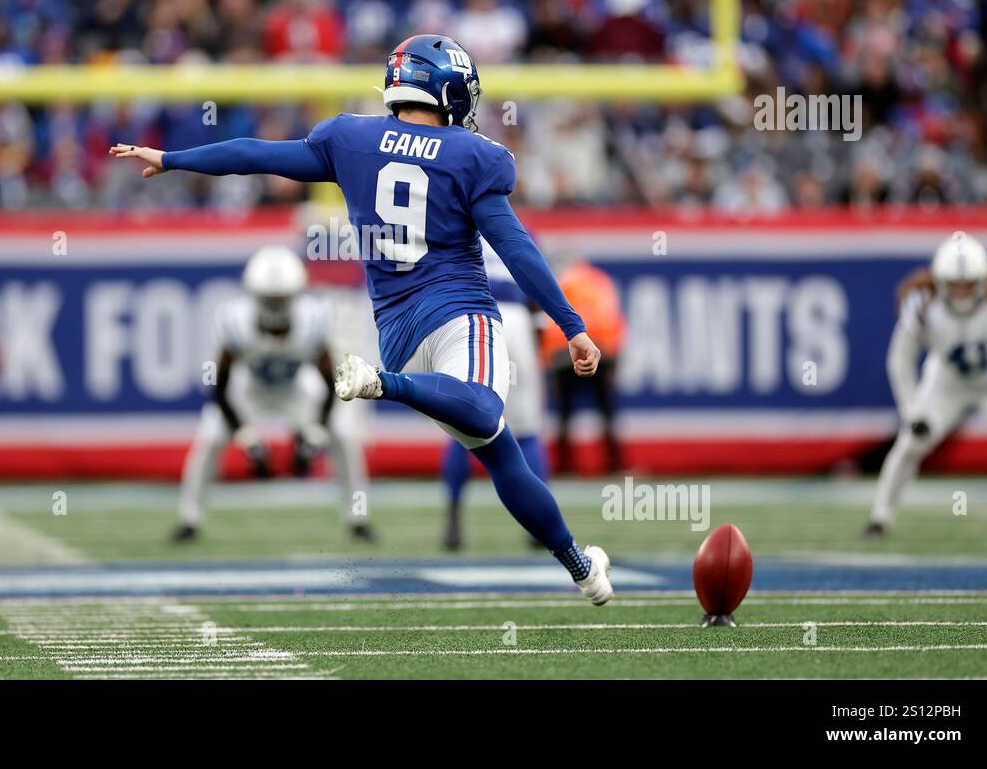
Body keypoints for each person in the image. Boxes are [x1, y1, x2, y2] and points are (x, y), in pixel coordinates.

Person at [111, 33, 613, 605]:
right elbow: (517, 247)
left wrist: (174, 159)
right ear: (447, 90)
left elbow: (255, 155)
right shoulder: (475, 156)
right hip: (456, 313)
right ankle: (384, 384)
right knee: (488, 412)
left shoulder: (350, 138)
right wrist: (572, 325)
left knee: (496, 447)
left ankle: (579, 563)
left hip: (397, 333)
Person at [173, 245, 371, 541]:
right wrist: (246, 436)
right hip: (249, 388)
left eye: (281, 298)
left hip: (296, 388)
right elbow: (219, 384)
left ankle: (358, 519)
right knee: (210, 435)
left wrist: (314, 432)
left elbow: (331, 380)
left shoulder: (314, 319)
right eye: (269, 298)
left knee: (342, 431)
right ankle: (190, 519)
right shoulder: (234, 320)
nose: (275, 305)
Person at [866, 233, 987, 535]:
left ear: (983, 280)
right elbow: (899, 361)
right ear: (939, 281)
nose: (961, 291)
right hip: (946, 382)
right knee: (910, 443)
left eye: (968, 284)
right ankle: (880, 517)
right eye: (954, 284)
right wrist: (911, 410)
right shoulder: (922, 307)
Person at [441, 238, 548, 550]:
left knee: (463, 425)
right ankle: (539, 525)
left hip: (472, 318)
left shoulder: (452, 221)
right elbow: (536, 283)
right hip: (514, 319)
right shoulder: (514, 225)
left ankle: (453, 519)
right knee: (526, 430)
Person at [542, 260, 626, 473]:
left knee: (564, 413)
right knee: (606, 411)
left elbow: (547, 321)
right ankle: (615, 465)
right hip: (600, 350)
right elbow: (612, 318)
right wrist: (613, 356)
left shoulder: (558, 281)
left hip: (563, 354)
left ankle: (563, 466)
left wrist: (547, 360)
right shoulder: (598, 281)